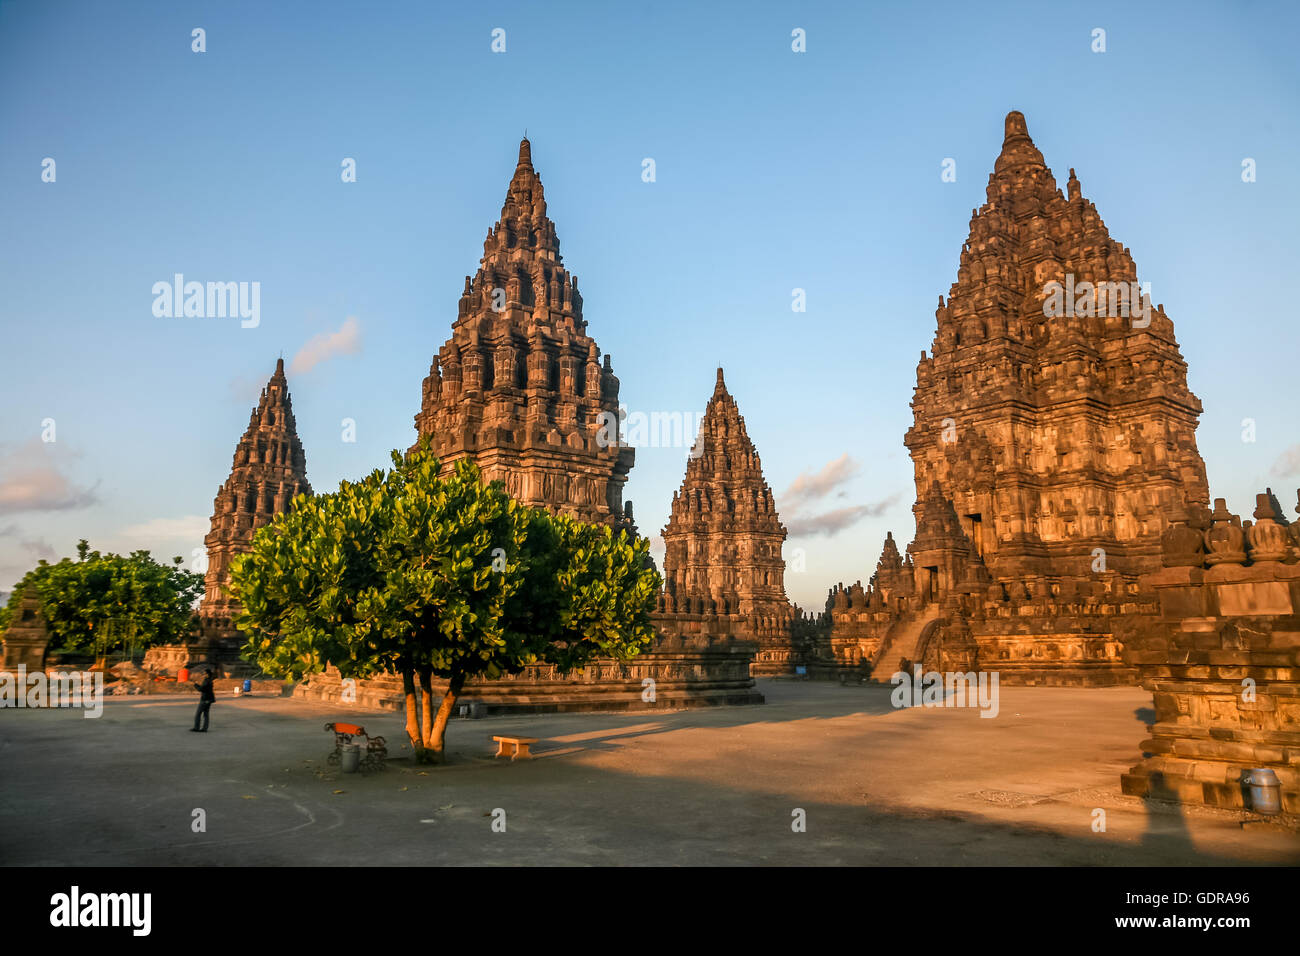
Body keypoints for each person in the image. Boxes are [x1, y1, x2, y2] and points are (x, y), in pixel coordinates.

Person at [191, 668, 215, 732]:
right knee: (206, 714)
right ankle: (204, 728)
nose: (203, 675)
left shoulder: (207, 681)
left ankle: (196, 727)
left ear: (207, 674)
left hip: (205, 699)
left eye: (204, 673)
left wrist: (195, 685)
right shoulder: (209, 680)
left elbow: (201, 689)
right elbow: (203, 688)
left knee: (198, 714)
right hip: (209, 699)